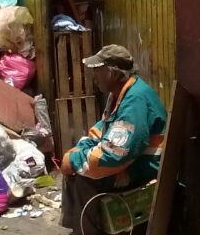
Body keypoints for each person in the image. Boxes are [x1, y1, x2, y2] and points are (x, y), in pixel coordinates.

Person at [60, 44, 167, 234]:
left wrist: (75, 160)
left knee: (83, 177)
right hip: (132, 161)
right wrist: (79, 150)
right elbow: (102, 130)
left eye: (98, 70)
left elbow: (115, 155)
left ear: (113, 73)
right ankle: (80, 228)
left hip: (144, 168)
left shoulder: (135, 100)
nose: (94, 76)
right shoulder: (120, 94)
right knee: (75, 166)